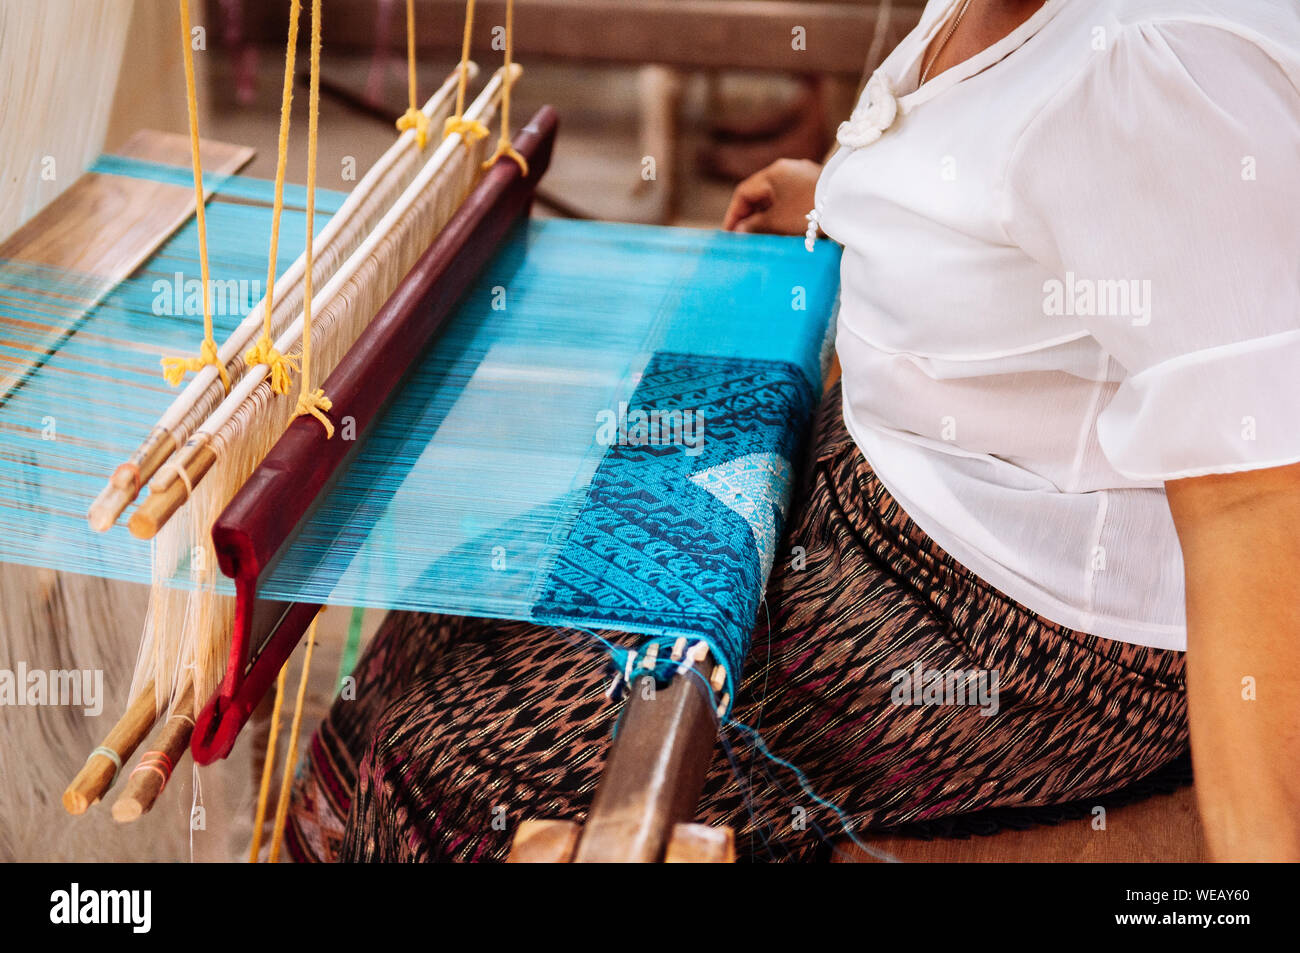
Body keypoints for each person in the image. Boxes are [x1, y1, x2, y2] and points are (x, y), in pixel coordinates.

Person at [287, 0, 1300, 862]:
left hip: (1012, 628)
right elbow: (1032, 184)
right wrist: (857, 203)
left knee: (448, 764)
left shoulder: (1155, 66)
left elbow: (1259, 499)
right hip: (877, 482)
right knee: (437, 621)